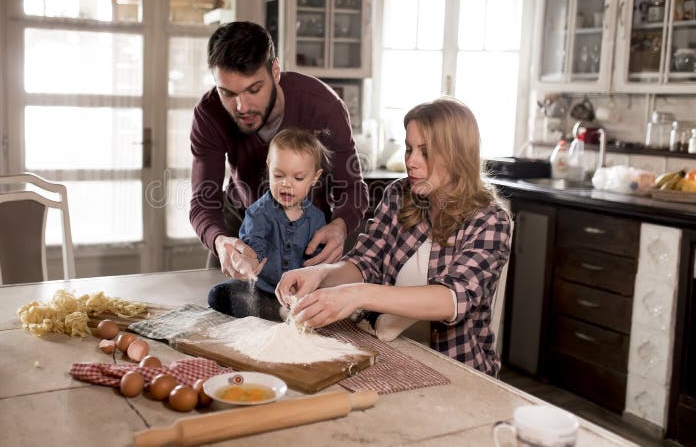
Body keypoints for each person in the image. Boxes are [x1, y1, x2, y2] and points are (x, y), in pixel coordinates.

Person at [275, 97, 512, 376]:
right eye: (409, 148)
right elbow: (365, 262)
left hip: (455, 370)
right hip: (388, 352)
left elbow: (451, 299)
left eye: (425, 151)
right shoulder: (399, 195)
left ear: (457, 155)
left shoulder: (491, 221)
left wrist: (357, 296)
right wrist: (321, 273)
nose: (411, 161)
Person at [189, 21, 368, 281]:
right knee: (220, 312)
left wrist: (340, 227)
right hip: (240, 228)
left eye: (254, 89)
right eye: (227, 92)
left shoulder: (322, 107)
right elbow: (203, 199)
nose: (241, 107)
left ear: (275, 71)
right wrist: (219, 241)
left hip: (308, 231)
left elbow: (352, 187)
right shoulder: (209, 113)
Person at [207, 128, 329, 320]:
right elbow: (254, 246)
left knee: (330, 295)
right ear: (269, 168)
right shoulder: (258, 213)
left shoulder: (317, 218)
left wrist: (310, 284)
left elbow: (317, 262)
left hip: (300, 292)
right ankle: (279, 313)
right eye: (279, 175)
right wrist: (251, 261)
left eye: (298, 178)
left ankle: (296, 310)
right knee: (219, 294)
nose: (286, 184)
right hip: (262, 289)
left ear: (314, 177)